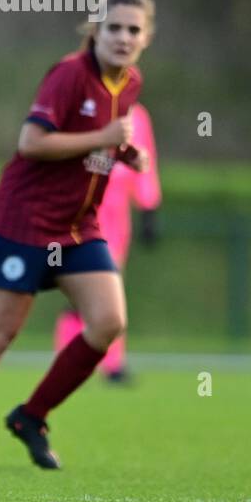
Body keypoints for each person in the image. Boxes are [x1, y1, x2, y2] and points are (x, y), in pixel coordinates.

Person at [0, 0, 155, 469]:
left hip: (77, 227)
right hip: (24, 222)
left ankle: (31, 415)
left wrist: (120, 152)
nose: (123, 37)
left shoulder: (130, 83)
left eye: (134, 30)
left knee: (109, 322)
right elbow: (31, 142)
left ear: (145, 38)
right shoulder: (70, 74)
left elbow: (94, 147)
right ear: (95, 31)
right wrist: (105, 138)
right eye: (114, 27)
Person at [52, 102, 160, 382]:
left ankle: (111, 362)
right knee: (80, 291)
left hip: (116, 216)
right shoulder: (81, 108)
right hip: (82, 210)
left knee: (111, 288)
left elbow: (145, 159)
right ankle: (67, 359)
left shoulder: (136, 115)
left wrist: (148, 207)